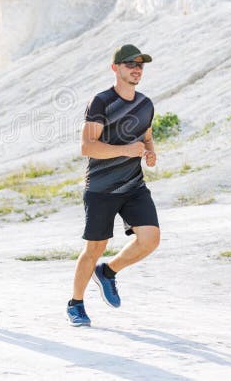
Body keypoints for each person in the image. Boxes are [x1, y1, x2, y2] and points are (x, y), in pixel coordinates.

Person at [67, 44, 160, 326]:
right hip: (101, 189)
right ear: (115, 68)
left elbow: (145, 135)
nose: (136, 69)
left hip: (133, 186)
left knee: (150, 239)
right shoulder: (101, 102)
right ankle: (76, 304)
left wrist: (150, 151)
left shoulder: (146, 103)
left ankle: (108, 272)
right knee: (95, 247)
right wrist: (124, 150)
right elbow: (87, 147)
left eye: (140, 65)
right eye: (130, 64)